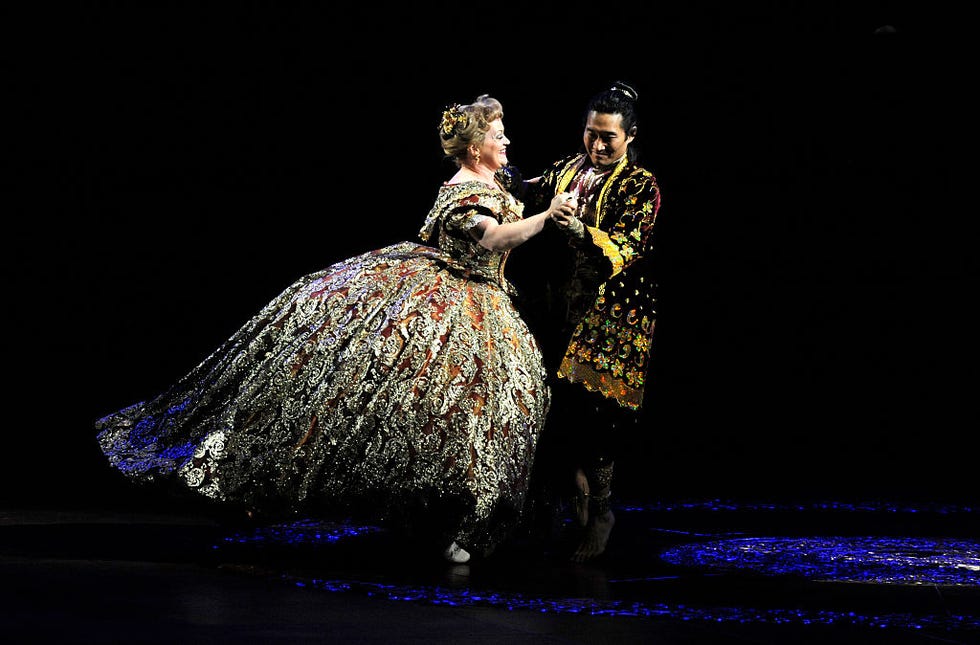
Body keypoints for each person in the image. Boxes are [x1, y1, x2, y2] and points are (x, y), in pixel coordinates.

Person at [95, 94, 580, 565]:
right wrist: (547, 217)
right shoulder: (461, 192)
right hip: (453, 294)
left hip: (488, 300)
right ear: (476, 148)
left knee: (488, 406)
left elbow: (525, 189)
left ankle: (451, 519)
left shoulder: (495, 181)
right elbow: (495, 237)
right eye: (499, 135)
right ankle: (437, 518)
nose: (508, 140)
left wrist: (570, 181)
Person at [517, 81, 662, 563]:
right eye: (591, 134)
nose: (598, 146)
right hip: (555, 306)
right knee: (550, 412)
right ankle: (566, 501)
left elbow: (629, 248)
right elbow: (526, 190)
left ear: (630, 136)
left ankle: (601, 510)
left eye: (609, 138)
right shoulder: (565, 170)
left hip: (609, 318)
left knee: (596, 417)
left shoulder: (640, 185)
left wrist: (583, 232)